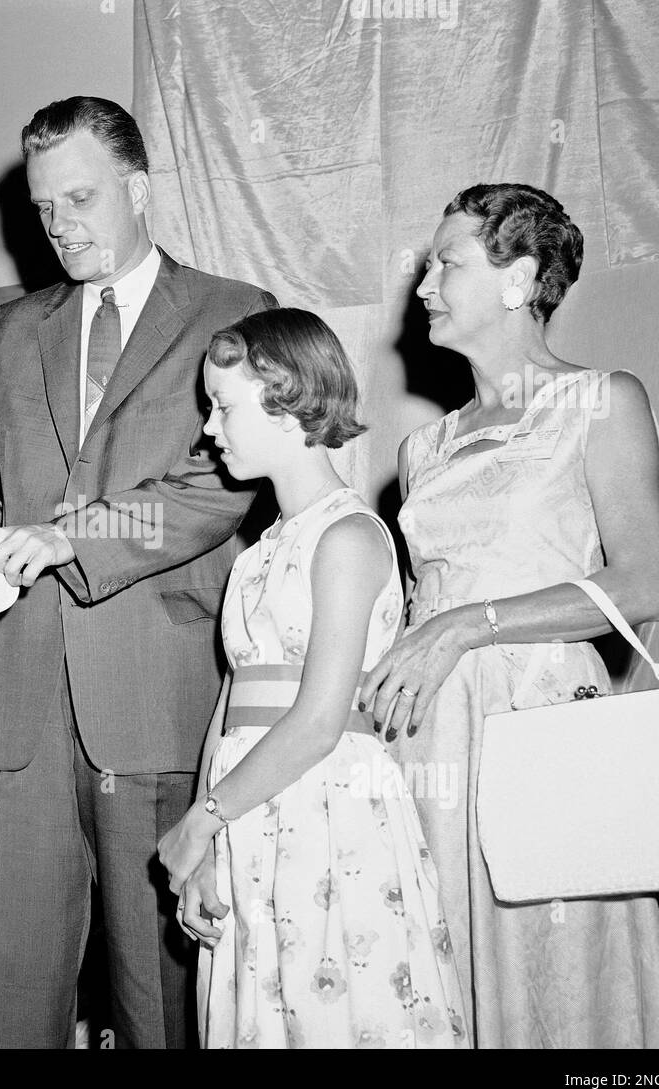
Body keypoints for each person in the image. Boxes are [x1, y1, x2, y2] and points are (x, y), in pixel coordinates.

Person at [0, 96, 276, 1049]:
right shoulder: (5, 331)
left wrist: (77, 536)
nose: (59, 225)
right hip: (20, 710)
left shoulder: (234, 312)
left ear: (140, 189)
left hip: (156, 695)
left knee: (162, 1005)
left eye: (80, 198)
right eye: (43, 207)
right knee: (6, 1002)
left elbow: (219, 486)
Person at [359, 184, 659, 1047]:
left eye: (446, 263)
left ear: (520, 280)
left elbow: (647, 584)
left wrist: (467, 624)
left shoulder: (602, 401)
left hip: (540, 727)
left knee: (560, 977)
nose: (423, 283)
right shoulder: (420, 448)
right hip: (426, 739)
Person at [157, 309, 467, 1049]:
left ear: (287, 399)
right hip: (247, 809)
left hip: (328, 818)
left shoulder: (351, 536)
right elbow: (230, 712)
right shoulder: (256, 554)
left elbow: (320, 720)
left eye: (223, 406)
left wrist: (202, 818)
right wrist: (207, 846)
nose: (209, 429)